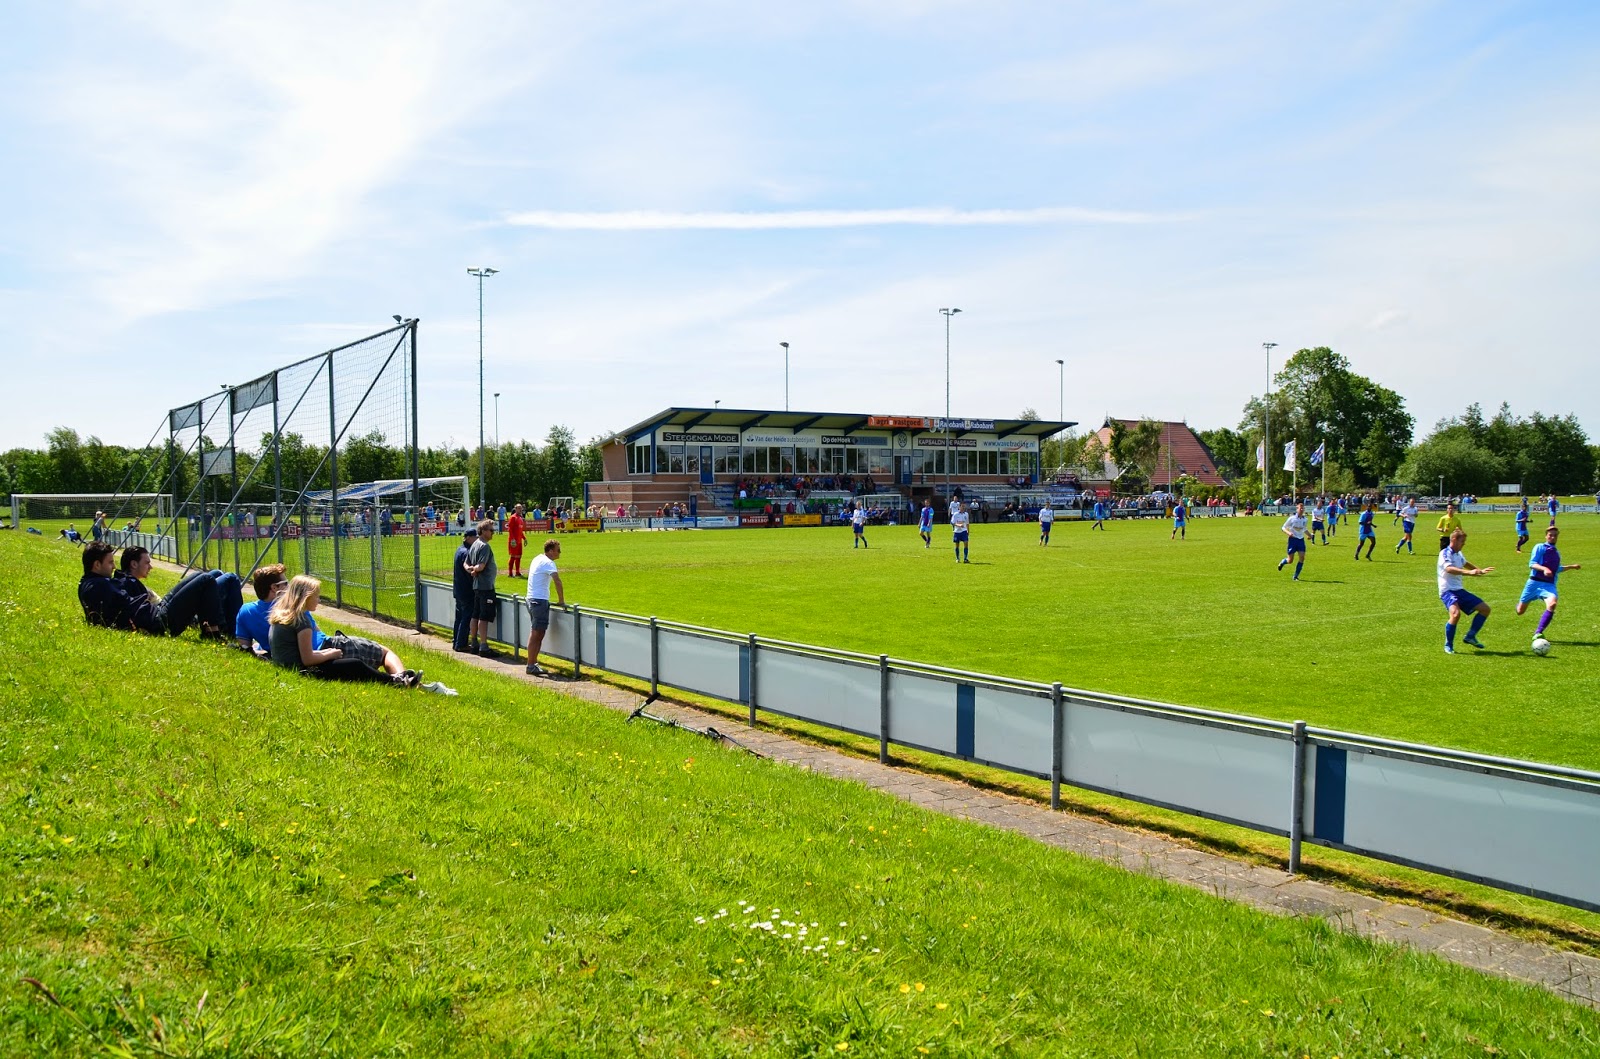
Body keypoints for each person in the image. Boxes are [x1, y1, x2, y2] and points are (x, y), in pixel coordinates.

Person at [269, 575, 416, 686]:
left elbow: (305, 654)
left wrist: (327, 652)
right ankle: (395, 681)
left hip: (291, 667)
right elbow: (308, 659)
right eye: (316, 596)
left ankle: (397, 679)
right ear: (305, 598)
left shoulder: (284, 615)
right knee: (354, 665)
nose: (318, 600)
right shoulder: (302, 620)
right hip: (303, 671)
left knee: (351, 664)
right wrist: (331, 653)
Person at [78, 542, 231, 639]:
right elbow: (116, 617)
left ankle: (215, 629)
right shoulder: (99, 586)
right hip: (158, 622)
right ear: (97, 565)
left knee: (200, 575)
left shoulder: (89, 583)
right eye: (110, 562)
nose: (113, 567)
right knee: (206, 580)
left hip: (156, 611)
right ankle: (212, 633)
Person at [120, 546, 242, 638]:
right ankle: (228, 631)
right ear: (134, 564)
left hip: (161, 608)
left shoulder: (130, 582)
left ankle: (229, 628)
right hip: (162, 617)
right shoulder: (127, 583)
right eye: (147, 563)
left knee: (214, 573)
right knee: (227, 578)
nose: (151, 567)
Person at [1516, 525, 1580, 644]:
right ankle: (1520, 603)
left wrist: (1571, 567)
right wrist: (1544, 569)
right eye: (1550, 535)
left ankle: (1538, 632)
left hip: (1549, 585)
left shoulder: (1557, 553)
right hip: (1534, 583)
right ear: (1546, 536)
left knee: (1552, 604)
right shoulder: (1540, 547)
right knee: (1520, 611)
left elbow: (1556, 569)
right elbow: (1532, 564)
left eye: (1555, 535)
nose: (1553, 537)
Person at [1438, 528, 1494, 654]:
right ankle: (1448, 645)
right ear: (1454, 540)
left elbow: (1465, 563)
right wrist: (1469, 573)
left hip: (1459, 590)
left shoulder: (1459, 554)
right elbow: (1449, 569)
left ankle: (1470, 636)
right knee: (1455, 614)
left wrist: (1479, 570)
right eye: (1462, 541)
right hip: (1447, 590)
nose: (1464, 544)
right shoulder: (1445, 553)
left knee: (1485, 609)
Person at [524, 538, 566, 677]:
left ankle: (533, 663)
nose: (560, 552)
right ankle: (531, 665)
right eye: (558, 550)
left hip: (531, 599)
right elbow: (557, 582)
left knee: (536, 632)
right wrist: (561, 601)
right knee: (537, 633)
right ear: (550, 551)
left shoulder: (538, 558)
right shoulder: (549, 563)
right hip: (539, 601)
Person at [465, 520, 500, 657]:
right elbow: (481, 566)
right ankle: (483, 647)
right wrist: (474, 569)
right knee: (483, 617)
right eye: (491, 530)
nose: (493, 533)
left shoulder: (474, 544)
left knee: (475, 614)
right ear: (484, 531)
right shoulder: (484, 546)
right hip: (485, 587)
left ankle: (474, 643)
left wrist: (470, 570)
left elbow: (466, 563)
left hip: (477, 586)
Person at [451, 526, 478, 652]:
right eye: (475, 537)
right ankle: (461, 644)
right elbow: (469, 570)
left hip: (458, 589)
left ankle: (456, 640)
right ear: (468, 538)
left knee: (459, 616)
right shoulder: (466, 552)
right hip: (466, 590)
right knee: (466, 617)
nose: (477, 540)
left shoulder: (459, 550)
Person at [1276, 502, 1308, 581]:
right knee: (1290, 560)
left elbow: (1304, 528)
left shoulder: (1305, 519)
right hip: (1293, 540)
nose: (1301, 510)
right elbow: (1283, 527)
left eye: (1302, 508)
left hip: (1300, 540)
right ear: (1297, 509)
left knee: (1302, 557)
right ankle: (1283, 562)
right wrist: (1288, 533)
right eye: (1300, 508)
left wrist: (1309, 535)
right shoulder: (1292, 518)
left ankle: (1295, 576)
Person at [506, 503, 526, 578]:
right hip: (514, 541)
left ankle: (517, 572)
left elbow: (520, 530)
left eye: (521, 508)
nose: (520, 509)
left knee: (519, 556)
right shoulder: (513, 517)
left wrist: (524, 538)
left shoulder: (520, 518)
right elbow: (510, 529)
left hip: (519, 541)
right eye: (519, 508)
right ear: (515, 509)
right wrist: (512, 539)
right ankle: (510, 573)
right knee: (513, 556)